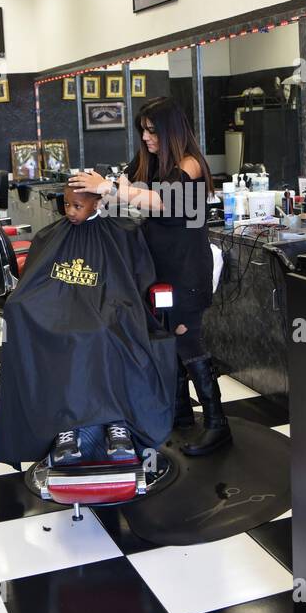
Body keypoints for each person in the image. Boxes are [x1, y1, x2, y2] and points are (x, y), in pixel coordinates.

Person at [70, 96, 231, 457]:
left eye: (152, 131)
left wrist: (112, 190)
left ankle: (218, 424)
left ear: (171, 131)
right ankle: (179, 413)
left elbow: (164, 204)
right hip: (157, 267)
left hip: (187, 267)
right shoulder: (150, 162)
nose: (146, 138)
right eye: (143, 131)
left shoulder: (190, 166)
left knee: (187, 339)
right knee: (166, 334)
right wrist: (98, 195)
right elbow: (125, 189)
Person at [0, 184, 176, 471]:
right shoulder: (51, 235)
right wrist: (19, 304)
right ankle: (66, 428)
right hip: (62, 309)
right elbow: (36, 281)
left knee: (100, 332)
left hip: (111, 309)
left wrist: (114, 304)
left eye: (77, 206)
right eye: (66, 205)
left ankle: (117, 423)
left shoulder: (121, 232)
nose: (70, 212)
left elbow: (132, 283)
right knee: (33, 318)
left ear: (97, 203)